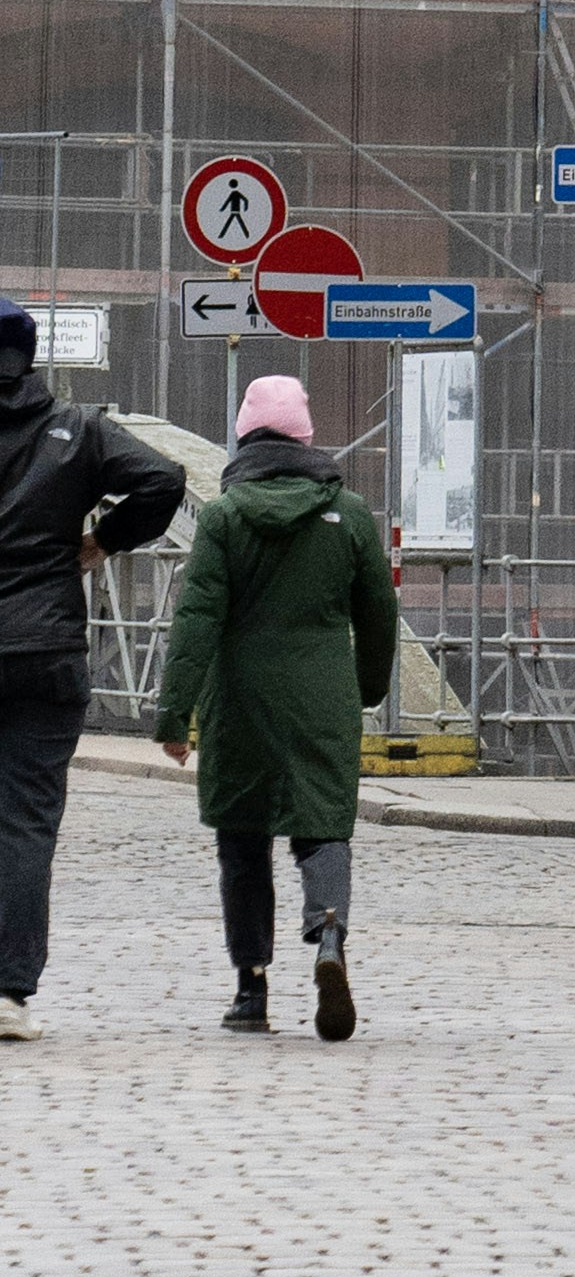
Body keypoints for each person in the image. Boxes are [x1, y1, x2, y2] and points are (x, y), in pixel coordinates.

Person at [153, 374, 400, 1044]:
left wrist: (174, 716)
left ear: (244, 437)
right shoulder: (348, 514)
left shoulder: (224, 517)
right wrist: (368, 687)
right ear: (305, 437)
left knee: (242, 838)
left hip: (240, 702)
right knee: (323, 825)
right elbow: (379, 613)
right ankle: (327, 936)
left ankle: (250, 988)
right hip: (322, 698)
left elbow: (198, 617)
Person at [0, 306, 188, 1042]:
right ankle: (9, 991)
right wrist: (103, 538)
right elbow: (164, 479)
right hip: (45, 649)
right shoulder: (77, 430)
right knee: (24, 820)